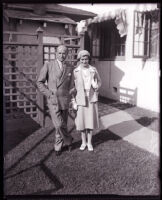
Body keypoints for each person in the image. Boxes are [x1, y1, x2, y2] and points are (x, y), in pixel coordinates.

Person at [37, 45, 74, 156]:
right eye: (59, 53)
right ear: (55, 53)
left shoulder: (70, 67)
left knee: (62, 125)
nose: (62, 55)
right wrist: (49, 94)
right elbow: (40, 82)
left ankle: (58, 147)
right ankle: (69, 139)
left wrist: (71, 96)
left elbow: (71, 85)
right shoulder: (49, 65)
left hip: (65, 100)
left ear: (67, 54)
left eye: (64, 53)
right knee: (58, 124)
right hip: (53, 100)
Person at [70, 50, 101, 151]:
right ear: (79, 60)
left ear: (89, 59)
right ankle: (83, 142)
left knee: (90, 122)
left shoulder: (93, 69)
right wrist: (73, 99)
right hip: (81, 99)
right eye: (82, 59)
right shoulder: (76, 71)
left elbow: (99, 82)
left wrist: (96, 87)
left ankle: (89, 143)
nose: (84, 61)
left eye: (86, 59)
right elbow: (73, 87)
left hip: (91, 98)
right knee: (82, 122)